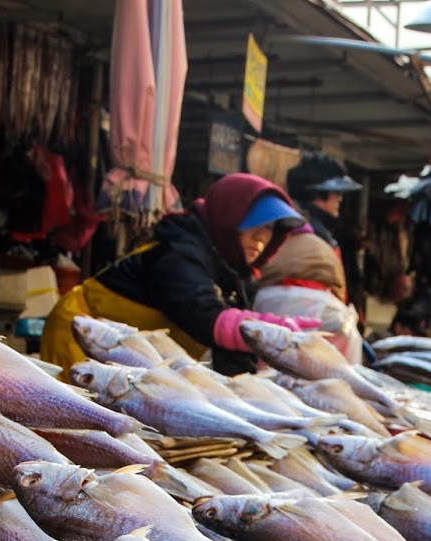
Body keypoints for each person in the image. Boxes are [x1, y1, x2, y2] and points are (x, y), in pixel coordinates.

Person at [41, 173, 315, 376]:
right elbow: (204, 317)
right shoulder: (179, 254)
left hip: (126, 355)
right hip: (80, 333)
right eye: (253, 224)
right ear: (228, 218)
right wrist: (274, 331)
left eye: (269, 229)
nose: (260, 237)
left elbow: (231, 355)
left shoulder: (231, 271)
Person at [253, 226, 363, 362]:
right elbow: (340, 288)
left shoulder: (273, 245)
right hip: (327, 309)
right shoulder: (323, 244)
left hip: (275, 303)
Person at [286, 153, 364, 311]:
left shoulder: (302, 224)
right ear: (317, 193)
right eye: (336, 192)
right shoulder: (311, 232)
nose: (340, 198)